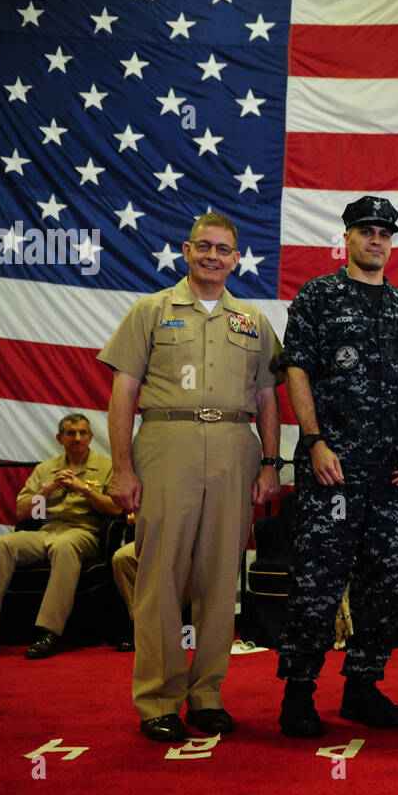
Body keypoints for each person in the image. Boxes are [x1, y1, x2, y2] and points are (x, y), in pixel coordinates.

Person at [100, 212, 283, 743]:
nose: (213, 256)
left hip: (234, 447)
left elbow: (269, 399)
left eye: (224, 249)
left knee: (221, 578)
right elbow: (122, 395)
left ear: (235, 257)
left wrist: (271, 462)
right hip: (166, 442)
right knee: (159, 576)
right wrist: (122, 467)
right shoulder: (150, 311)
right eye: (204, 246)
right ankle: (158, 698)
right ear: (185, 249)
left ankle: (206, 695)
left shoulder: (252, 321)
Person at [275, 196, 398, 738]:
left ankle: (362, 687)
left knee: (384, 583)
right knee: (318, 581)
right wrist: (314, 441)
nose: (377, 239)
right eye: (367, 230)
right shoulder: (317, 296)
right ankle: (298, 693)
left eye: (385, 232)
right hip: (331, 467)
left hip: (392, 471)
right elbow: (296, 368)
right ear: (348, 237)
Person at [0, 414, 119, 660]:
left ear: (91, 437)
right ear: (59, 438)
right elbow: (22, 512)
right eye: (71, 433)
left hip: (84, 533)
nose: (77, 438)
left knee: (64, 547)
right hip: (46, 531)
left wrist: (83, 488)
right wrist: (48, 488)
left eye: (83, 433)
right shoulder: (46, 469)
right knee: (1, 545)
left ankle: (49, 631)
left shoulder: (107, 467)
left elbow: (116, 509)